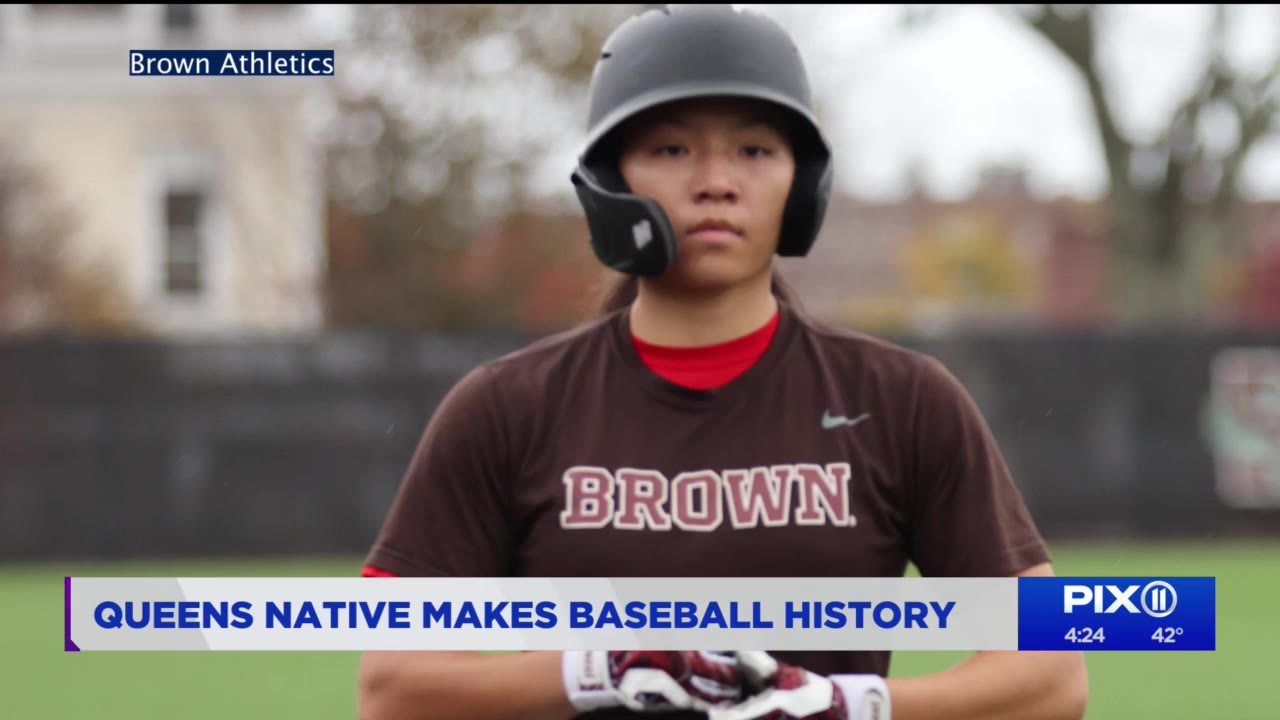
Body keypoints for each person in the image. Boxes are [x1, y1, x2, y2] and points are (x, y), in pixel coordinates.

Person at [356, 5, 1089, 720]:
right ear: (612, 183)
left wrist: (849, 706)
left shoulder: (901, 401)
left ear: (802, 186)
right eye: (671, 150)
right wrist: (602, 668)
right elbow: (392, 689)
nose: (716, 181)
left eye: (755, 150)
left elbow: (1051, 678)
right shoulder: (507, 408)